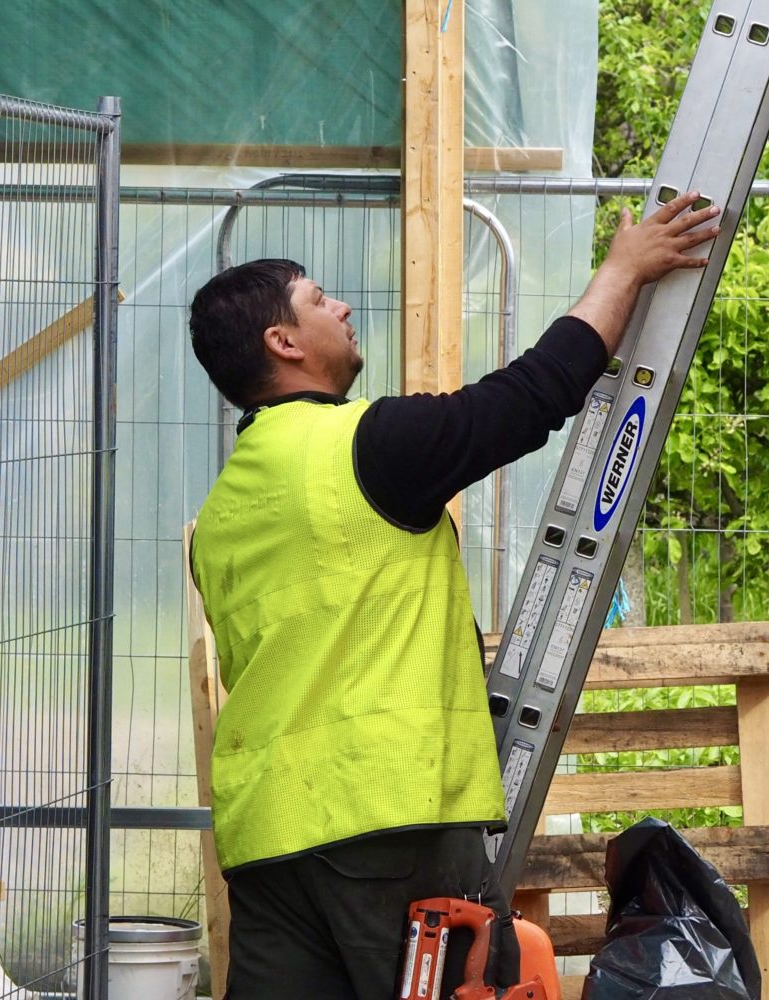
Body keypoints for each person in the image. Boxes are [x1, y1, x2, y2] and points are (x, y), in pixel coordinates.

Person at [186, 192, 722, 999]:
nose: (342, 307)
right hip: (387, 821)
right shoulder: (366, 448)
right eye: (318, 299)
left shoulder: (224, 510)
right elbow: (532, 396)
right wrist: (623, 270)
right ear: (283, 341)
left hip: (267, 837)